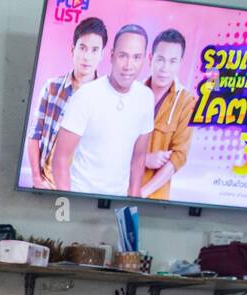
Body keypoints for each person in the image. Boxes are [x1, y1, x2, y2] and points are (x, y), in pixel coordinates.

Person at [50, 24, 155, 198]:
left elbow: (139, 157)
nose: (129, 65)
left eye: (136, 57)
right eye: (123, 56)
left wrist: (133, 201)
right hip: (81, 197)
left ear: (144, 59)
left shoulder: (145, 97)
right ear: (112, 55)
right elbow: (60, 159)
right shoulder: (86, 95)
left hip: (117, 202)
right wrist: (66, 209)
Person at [26, 17, 108, 191]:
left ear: (102, 55)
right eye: (82, 48)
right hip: (47, 184)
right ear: (73, 49)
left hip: (83, 189)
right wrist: (36, 179)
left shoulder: (107, 97)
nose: (87, 56)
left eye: (94, 50)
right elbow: (34, 136)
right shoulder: (52, 88)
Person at [139, 29, 196, 200]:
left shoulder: (187, 102)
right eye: (160, 60)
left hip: (154, 198)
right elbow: (115, 146)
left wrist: (141, 193)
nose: (165, 68)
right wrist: (144, 159)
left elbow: (178, 157)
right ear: (150, 59)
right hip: (118, 188)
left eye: (172, 62)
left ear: (180, 64)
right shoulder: (134, 93)